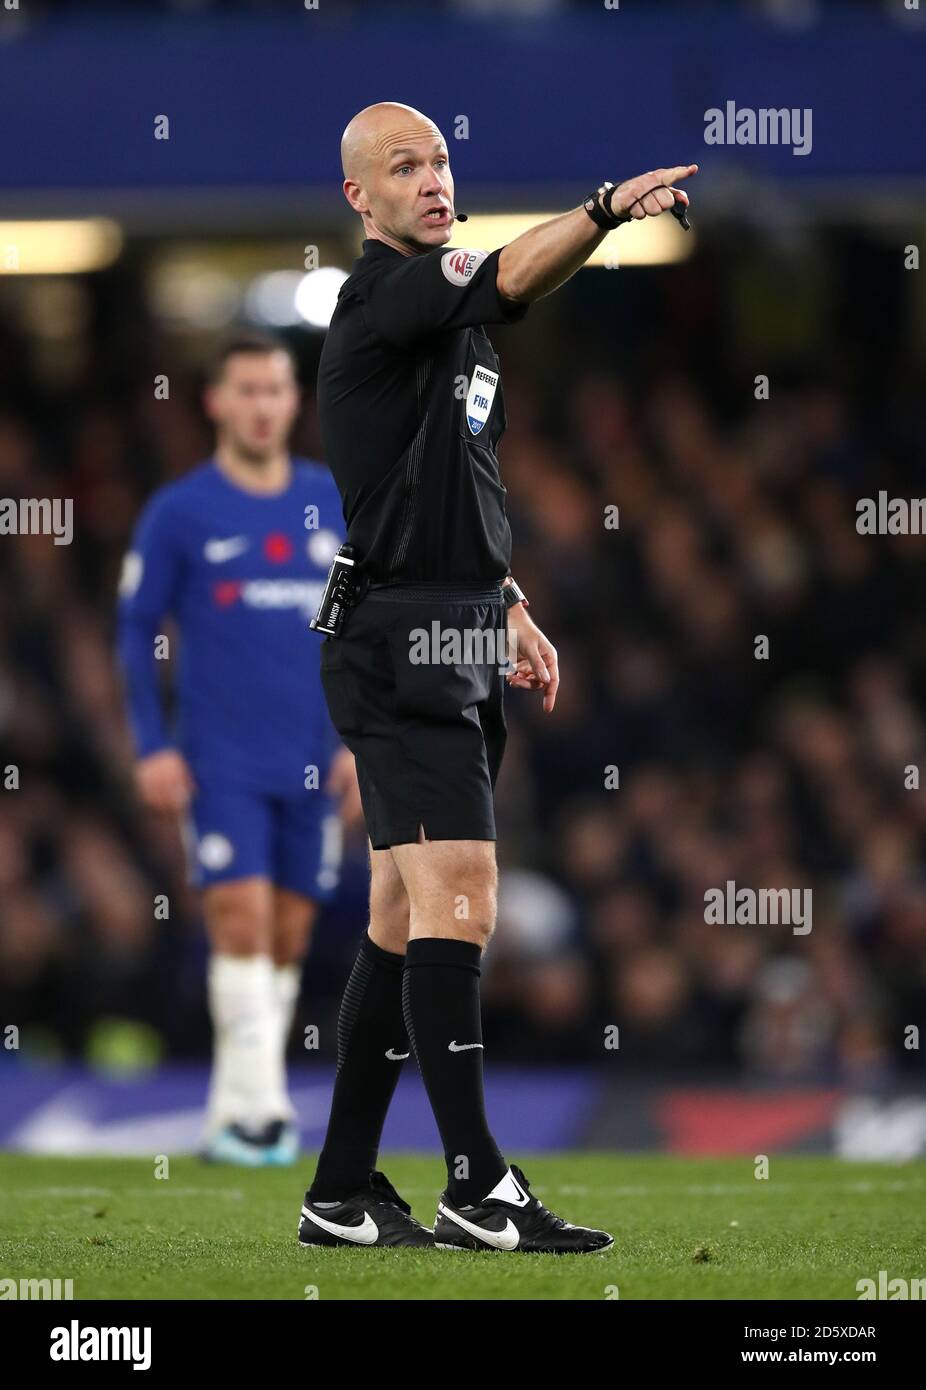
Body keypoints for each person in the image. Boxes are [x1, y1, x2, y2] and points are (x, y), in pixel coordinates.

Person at [297, 101, 696, 1251]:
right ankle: (476, 1184)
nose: (430, 180)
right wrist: (603, 211)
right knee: (462, 889)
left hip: (456, 627)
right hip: (404, 640)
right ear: (358, 198)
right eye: (402, 167)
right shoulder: (387, 294)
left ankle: (341, 1190)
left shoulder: (455, 332)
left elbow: (450, 484)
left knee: (400, 912)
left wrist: (506, 600)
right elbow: (512, 274)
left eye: (438, 161)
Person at [118, 331, 359, 1166]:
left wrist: (356, 740)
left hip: (313, 758)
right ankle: (263, 1116)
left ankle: (233, 1108)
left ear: (295, 402)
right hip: (220, 760)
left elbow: (355, 631)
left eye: (275, 390)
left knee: (289, 936)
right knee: (240, 919)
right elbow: (136, 627)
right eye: (246, 390)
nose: (262, 406)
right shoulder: (180, 511)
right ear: (216, 402)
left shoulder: (332, 501)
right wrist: (152, 744)